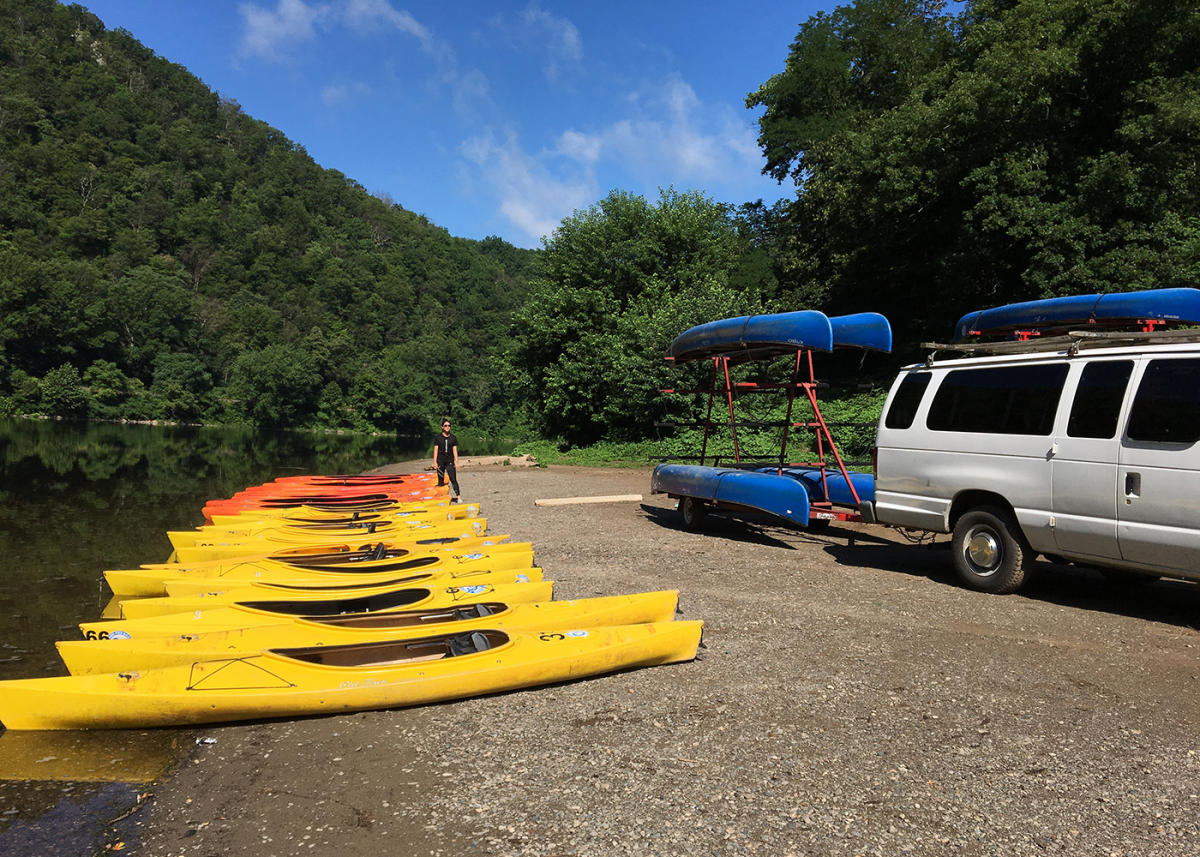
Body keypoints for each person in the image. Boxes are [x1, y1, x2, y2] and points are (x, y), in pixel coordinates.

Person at [432, 418, 461, 502]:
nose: (447, 427)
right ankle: (441, 498)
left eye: (449, 425)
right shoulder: (438, 438)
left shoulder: (453, 438)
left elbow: (455, 450)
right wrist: (434, 462)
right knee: (440, 480)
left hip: (450, 461)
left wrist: (456, 462)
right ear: (442, 427)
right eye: (446, 425)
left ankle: (458, 497)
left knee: (453, 479)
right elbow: (435, 450)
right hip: (440, 461)